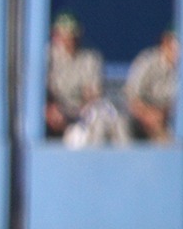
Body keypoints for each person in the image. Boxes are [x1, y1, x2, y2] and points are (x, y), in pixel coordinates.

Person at [45, 12, 127, 147]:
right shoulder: (47, 56)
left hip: (80, 113)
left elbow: (92, 95)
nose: (68, 39)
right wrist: (50, 110)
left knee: (108, 118)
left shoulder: (90, 57)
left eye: (72, 34)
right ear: (55, 35)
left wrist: (77, 115)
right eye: (64, 34)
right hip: (54, 111)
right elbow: (37, 93)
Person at [124, 27, 179, 144]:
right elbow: (131, 96)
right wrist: (148, 115)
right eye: (176, 44)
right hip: (142, 116)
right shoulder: (147, 61)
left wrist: (163, 114)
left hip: (169, 118)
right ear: (166, 42)